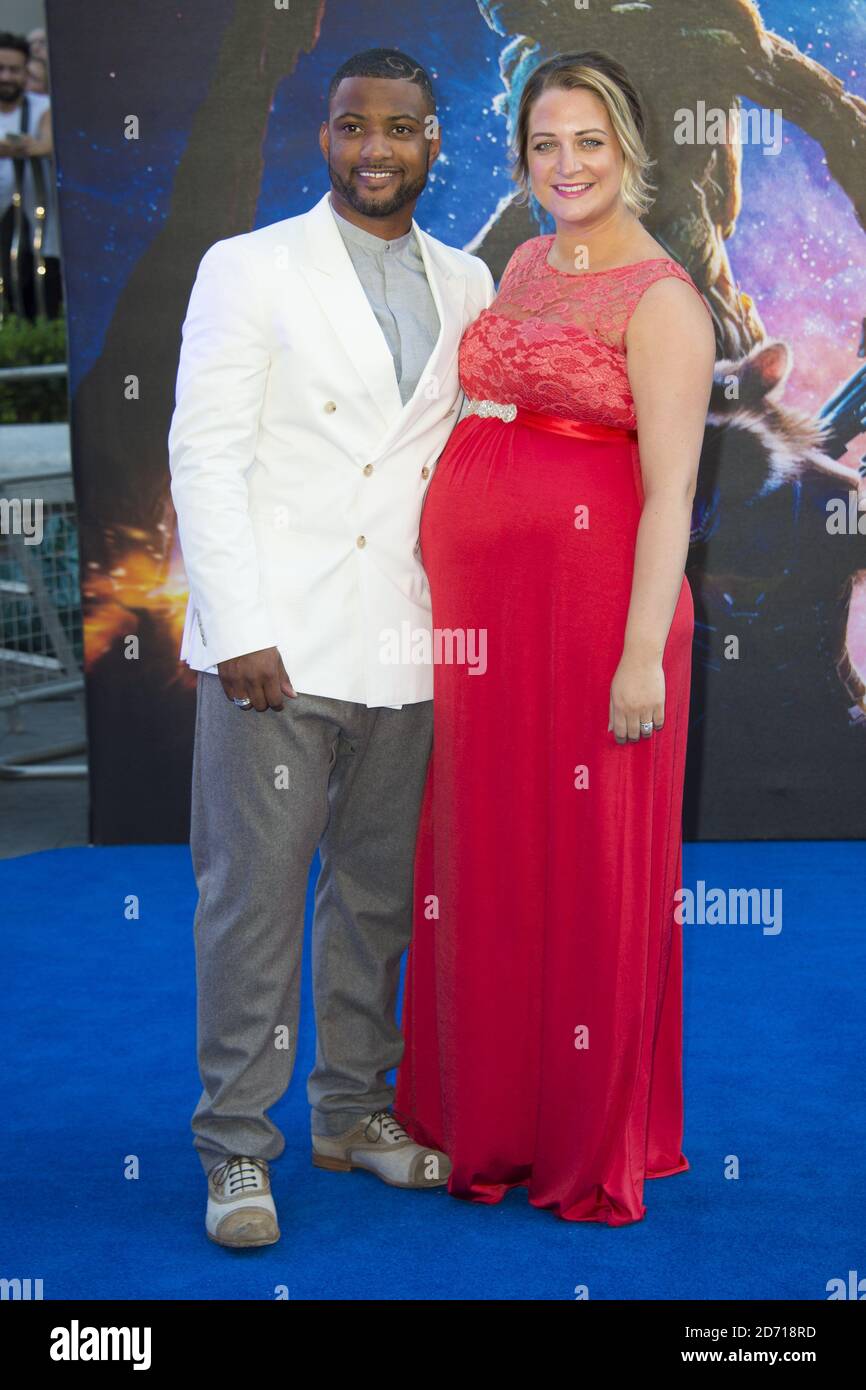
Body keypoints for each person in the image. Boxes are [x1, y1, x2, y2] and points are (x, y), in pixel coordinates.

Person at [168, 48, 496, 1247]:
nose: (376, 149)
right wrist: (237, 624)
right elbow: (201, 452)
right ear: (324, 136)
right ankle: (234, 1150)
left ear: (431, 143)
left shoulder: (468, 281)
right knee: (251, 902)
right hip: (278, 645)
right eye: (354, 126)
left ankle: (353, 1114)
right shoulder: (248, 267)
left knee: (374, 901)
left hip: (405, 647)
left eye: (400, 128)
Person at [394, 50, 716, 1226]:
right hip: (493, 624)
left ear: (628, 149)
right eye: (544, 144)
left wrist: (639, 650)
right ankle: (488, 1110)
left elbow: (673, 492)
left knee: (585, 862)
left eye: (588, 141)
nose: (565, 164)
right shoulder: (525, 260)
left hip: (596, 621)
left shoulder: (662, 298)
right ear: (523, 158)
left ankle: (581, 1134)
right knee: (487, 843)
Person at [0, 31, 62, 320]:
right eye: (1, 69)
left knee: (38, 306)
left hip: (36, 231)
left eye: (14, 69)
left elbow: (49, 142)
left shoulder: (42, 107)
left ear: (26, 71)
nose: (6, 76)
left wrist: (27, 147)